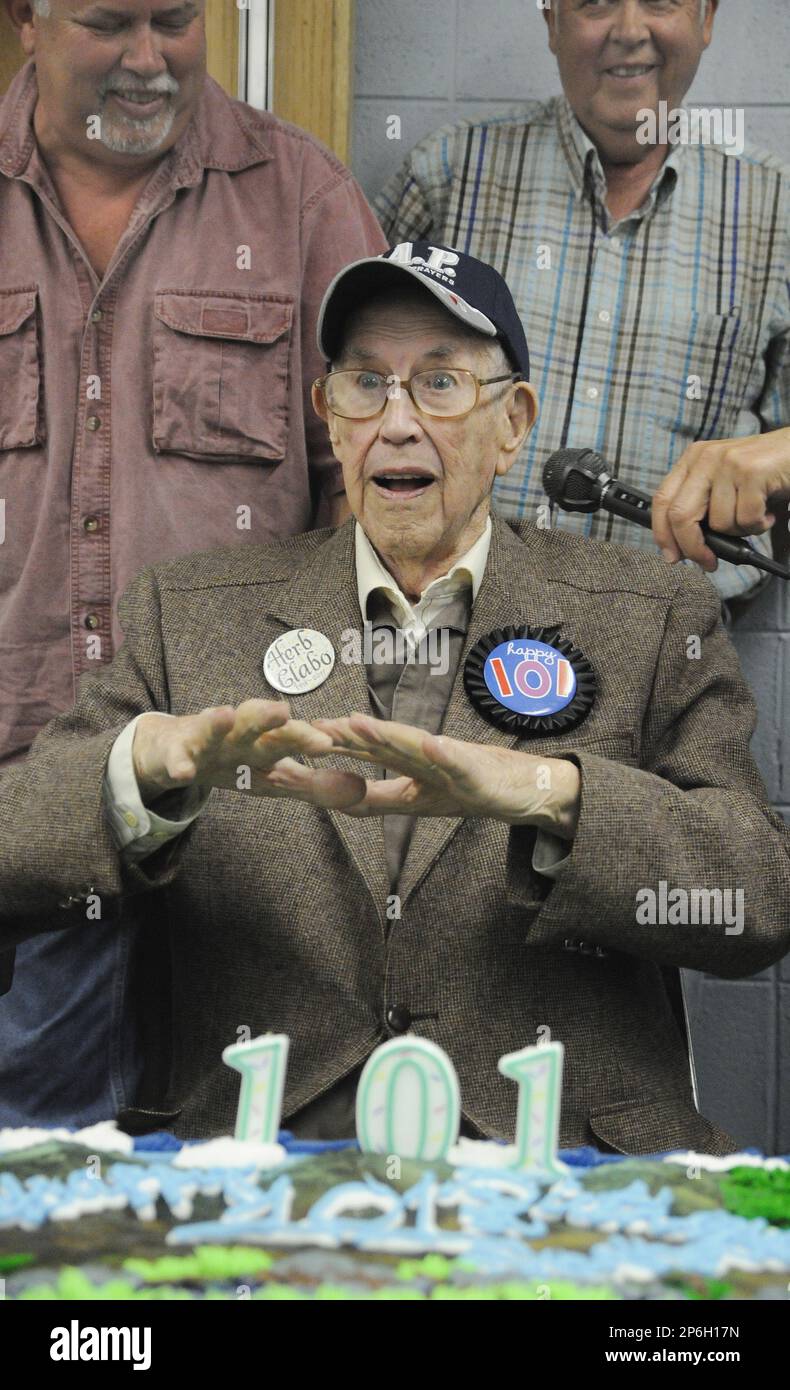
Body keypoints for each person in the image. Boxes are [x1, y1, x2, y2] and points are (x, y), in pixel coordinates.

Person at [1, 242, 788, 1156]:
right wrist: (143, 772)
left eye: (441, 383)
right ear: (329, 420)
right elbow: (16, 849)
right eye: (366, 384)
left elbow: (756, 900)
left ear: (514, 423)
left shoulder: (648, 615)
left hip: (558, 1173)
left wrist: (550, 795)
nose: (398, 422)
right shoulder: (189, 612)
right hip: (257, 1172)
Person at [0, 0, 386, 1125]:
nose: (146, 58)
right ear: (26, 16)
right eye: (108, 22)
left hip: (245, 801)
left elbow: (374, 491)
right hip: (20, 802)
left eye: (174, 19)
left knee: (241, 1169)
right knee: (34, 1174)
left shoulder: (305, 200)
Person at [374, 0, 790, 607]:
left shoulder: (774, 210)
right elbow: (343, 408)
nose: (628, 30)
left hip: (670, 657)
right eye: (594, 2)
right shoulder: (449, 176)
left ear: (706, 18)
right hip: (442, 639)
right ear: (551, 21)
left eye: (660, 0)